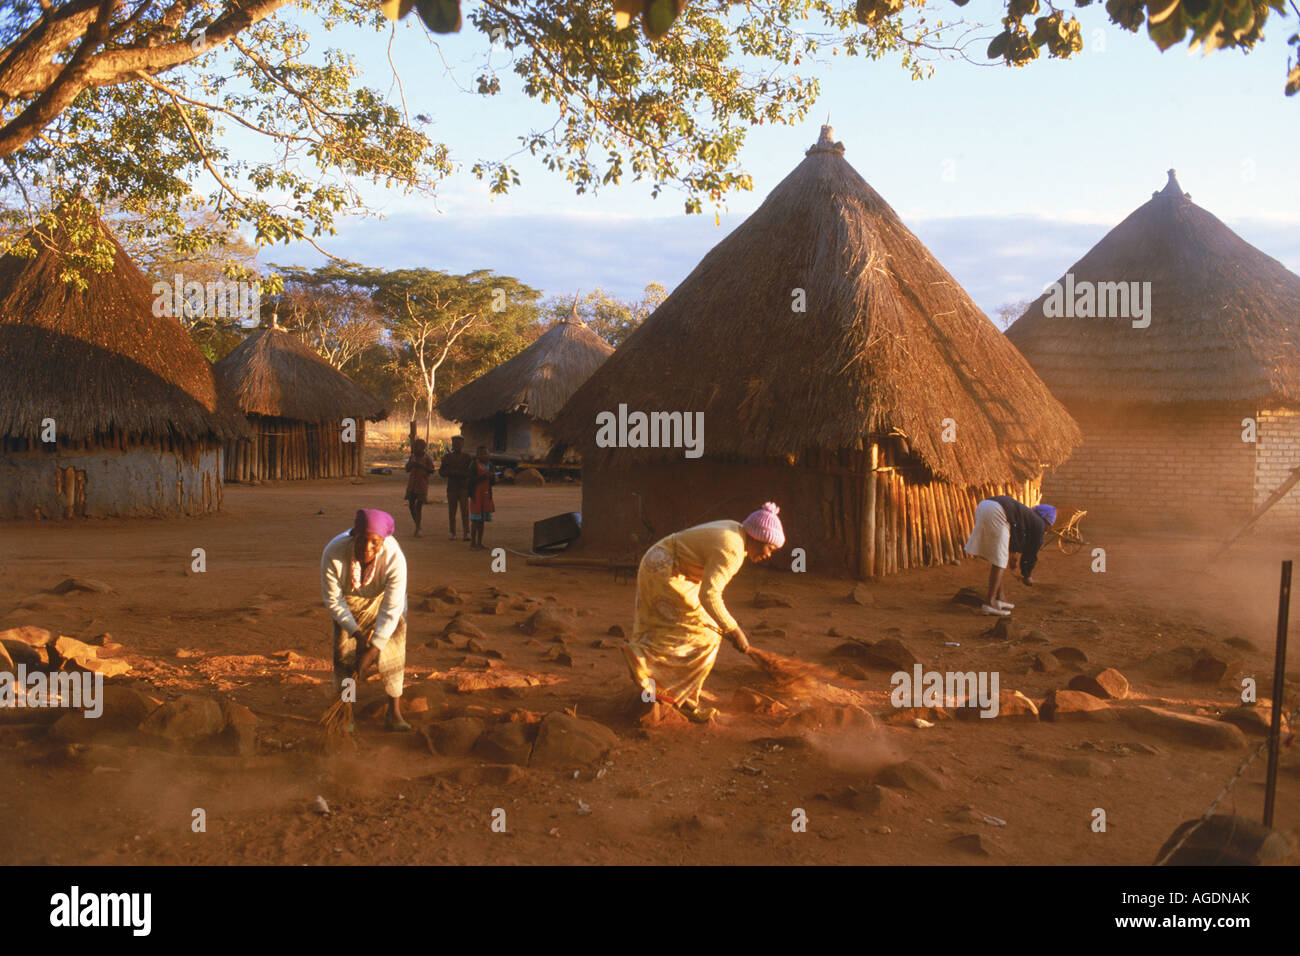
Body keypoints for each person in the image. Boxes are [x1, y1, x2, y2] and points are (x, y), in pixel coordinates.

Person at [623, 502, 784, 723]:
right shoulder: (733, 550)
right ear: (757, 537)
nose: (769, 555)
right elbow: (709, 596)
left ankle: (667, 687)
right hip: (665, 570)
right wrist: (734, 630)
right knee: (705, 635)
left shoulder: (736, 531)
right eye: (770, 549)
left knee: (690, 628)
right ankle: (652, 671)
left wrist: (725, 626)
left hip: (665, 565)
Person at [320, 508, 411, 731]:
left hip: (384, 603)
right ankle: (346, 712)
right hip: (349, 605)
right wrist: (357, 635)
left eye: (374, 543)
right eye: (361, 540)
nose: (366, 548)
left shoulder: (394, 558)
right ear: (354, 536)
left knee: (393, 655)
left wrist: (374, 649)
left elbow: (392, 608)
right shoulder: (334, 551)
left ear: (383, 542)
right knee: (346, 659)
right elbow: (333, 600)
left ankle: (394, 713)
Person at [963, 496, 1056, 616]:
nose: (1048, 529)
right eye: (1050, 525)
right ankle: (989, 604)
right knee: (1000, 561)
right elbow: (1032, 552)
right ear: (1047, 521)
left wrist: (1012, 555)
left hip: (984, 506)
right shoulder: (1039, 525)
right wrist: (1027, 575)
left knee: (999, 558)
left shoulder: (1027, 517)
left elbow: (1014, 537)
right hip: (997, 511)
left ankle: (998, 599)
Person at [439, 435, 473, 541]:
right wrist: (451, 473)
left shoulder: (467, 457)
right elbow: (441, 472)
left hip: (463, 487)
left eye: (459, 443)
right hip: (452, 487)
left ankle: (466, 532)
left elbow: (471, 472)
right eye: (455, 443)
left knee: (465, 511)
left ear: (463, 444)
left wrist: (460, 474)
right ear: (452, 444)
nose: (457, 445)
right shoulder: (447, 457)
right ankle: (452, 532)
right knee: (452, 511)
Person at [403, 438, 436, 536]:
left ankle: (418, 527)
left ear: (422, 448)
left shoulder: (427, 458)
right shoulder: (412, 457)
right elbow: (407, 469)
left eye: (416, 447)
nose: (414, 449)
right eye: (413, 447)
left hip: (422, 484)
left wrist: (419, 466)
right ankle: (417, 525)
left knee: (419, 506)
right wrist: (411, 464)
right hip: (412, 485)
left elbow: (431, 470)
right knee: (411, 506)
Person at [466, 445, 495, 550]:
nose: (485, 456)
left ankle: (479, 542)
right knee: (475, 520)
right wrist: (483, 477)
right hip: (476, 495)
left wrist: (493, 478)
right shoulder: (474, 465)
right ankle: (473, 543)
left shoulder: (490, 465)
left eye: (486, 453)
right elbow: (470, 481)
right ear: (477, 455)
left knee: (482, 520)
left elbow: (493, 483)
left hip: (486, 495)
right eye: (482, 454)